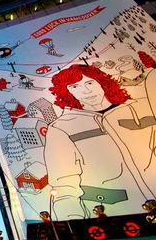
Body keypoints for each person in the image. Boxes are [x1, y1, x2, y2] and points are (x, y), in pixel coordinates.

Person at [45, 64, 156, 219]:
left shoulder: (139, 108)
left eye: (89, 83)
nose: (86, 91)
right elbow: (64, 184)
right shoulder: (61, 128)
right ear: (66, 92)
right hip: (115, 212)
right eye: (74, 86)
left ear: (101, 81)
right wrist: (74, 223)